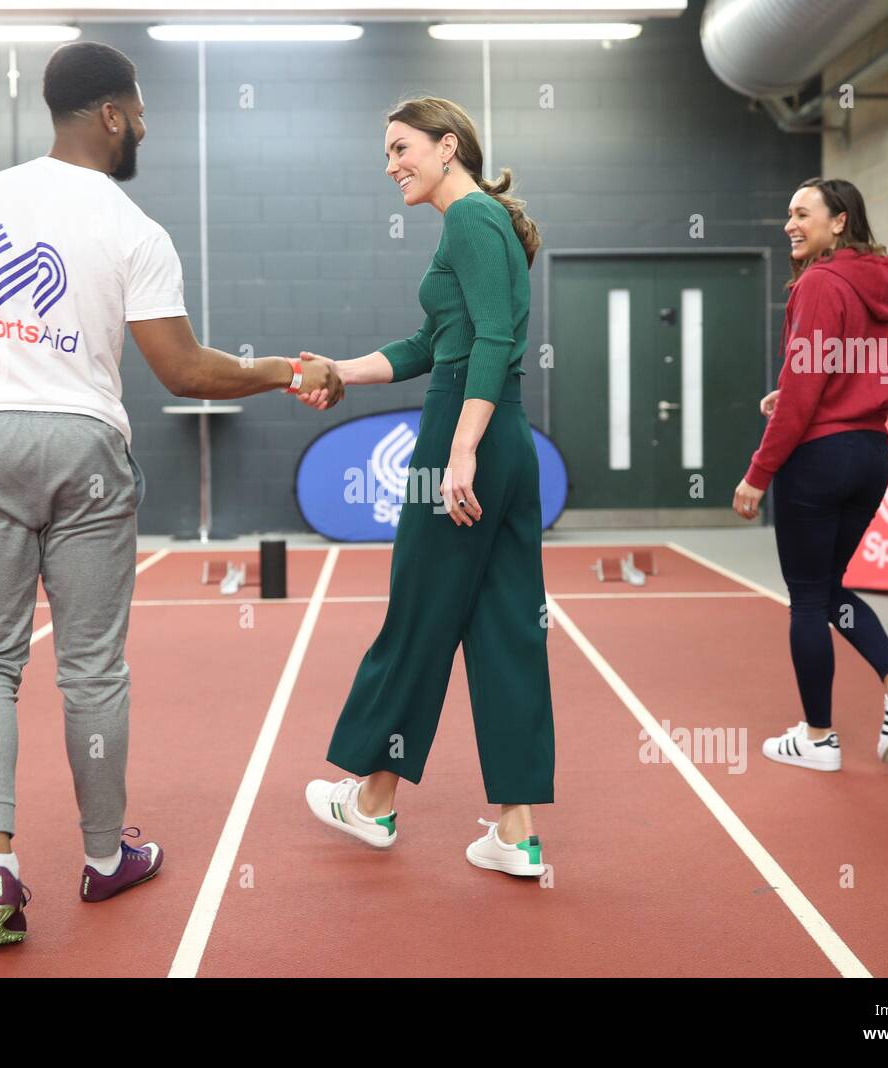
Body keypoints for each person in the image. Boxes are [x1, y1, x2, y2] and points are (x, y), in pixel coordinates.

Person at [0, 41, 342, 946]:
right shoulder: (133, 229)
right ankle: (106, 860)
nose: (145, 124)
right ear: (110, 114)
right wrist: (276, 370)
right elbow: (184, 371)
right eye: (140, 110)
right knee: (90, 668)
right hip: (84, 448)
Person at [298, 97, 555, 877]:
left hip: (465, 433)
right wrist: (341, 370)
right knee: (505, 625)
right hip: (500, 433)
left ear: (449, 147)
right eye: (386, 153)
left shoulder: (469, 220)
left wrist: (461, 451)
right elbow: (431, 344)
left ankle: (372, 802)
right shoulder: (483, 224)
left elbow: (499, 342)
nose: (391, 166)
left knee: (417, 612)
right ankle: (515, 831)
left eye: (401, 148)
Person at [733, 177, 888, 772]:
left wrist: (757, 473)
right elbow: (835, 369)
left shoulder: (819, 283)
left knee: (806, 598)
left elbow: (806, 395)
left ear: (839, 220)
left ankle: (818, 737)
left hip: (818, 460)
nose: (789, 224)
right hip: (870, 453)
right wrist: (790, 390)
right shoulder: (885, 287)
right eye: (788, 214)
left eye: (801, 213)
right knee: (828, 589)